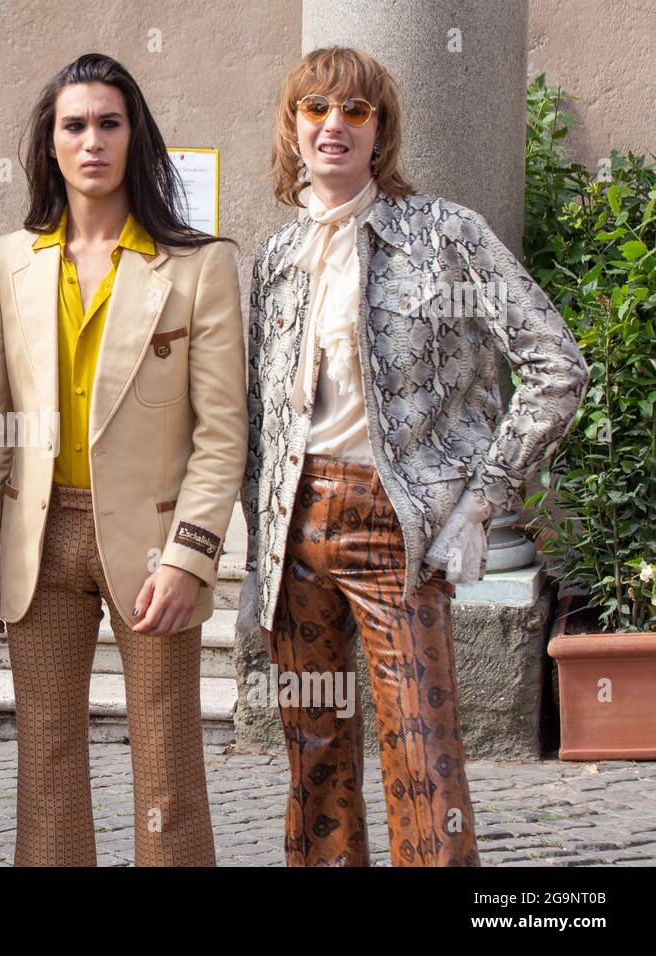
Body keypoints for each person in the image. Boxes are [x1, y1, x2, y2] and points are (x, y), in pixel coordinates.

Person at [241, 47, 588, 866]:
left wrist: (481, 504)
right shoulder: (277, 259)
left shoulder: (443, 235)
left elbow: (556, 363)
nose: (333, 124)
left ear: (381, 130)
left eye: (354, 110)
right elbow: (262, 418)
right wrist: (256, 549)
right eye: (315, 108)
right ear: (292, 127)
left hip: (397, 529)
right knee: (314, 751)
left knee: (421, 752)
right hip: (296, 527)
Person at [0, 53, 248, 866]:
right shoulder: (9, 260)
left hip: (156, 546)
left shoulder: (199, 264)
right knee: (46, 762)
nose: (92, 141)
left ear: (135, 136)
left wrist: (192, 556)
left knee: (167, 765)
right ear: (50, 143)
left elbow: (222, 431)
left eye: (109, 124)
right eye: (75, 125)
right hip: (38, 539)